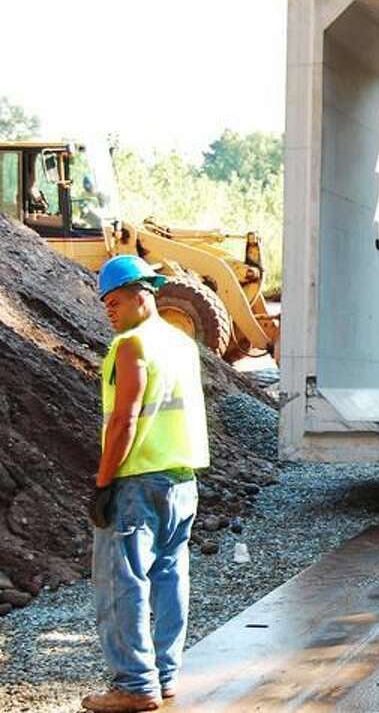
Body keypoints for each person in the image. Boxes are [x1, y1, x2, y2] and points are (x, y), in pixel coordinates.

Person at [82, 255, 209, 713]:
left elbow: (124, 419)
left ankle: (134, 685)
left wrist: (102, 482)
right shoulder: (181, 344)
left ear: (142, 295)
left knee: (122, 583)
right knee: (171, 577)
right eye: (105, 304)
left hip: (137, 481)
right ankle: (165, 675)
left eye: (114, 301)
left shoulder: (131, 345)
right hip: (182, 480)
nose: (109, 311)